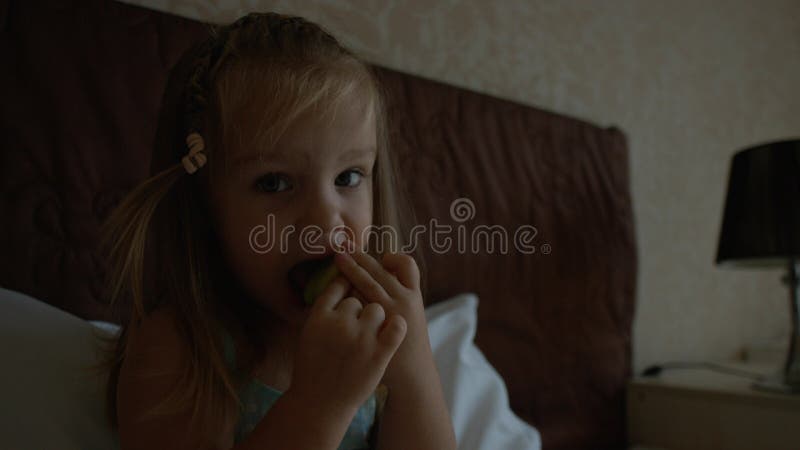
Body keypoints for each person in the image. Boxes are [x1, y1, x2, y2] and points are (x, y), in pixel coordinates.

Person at [96, 11, 456, 450]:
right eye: (274, 183)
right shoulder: (182, 349)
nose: (326, 221)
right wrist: (317, 404)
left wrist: (414, 374)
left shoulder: (369, 336)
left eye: (348, 177)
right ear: (205, 206)